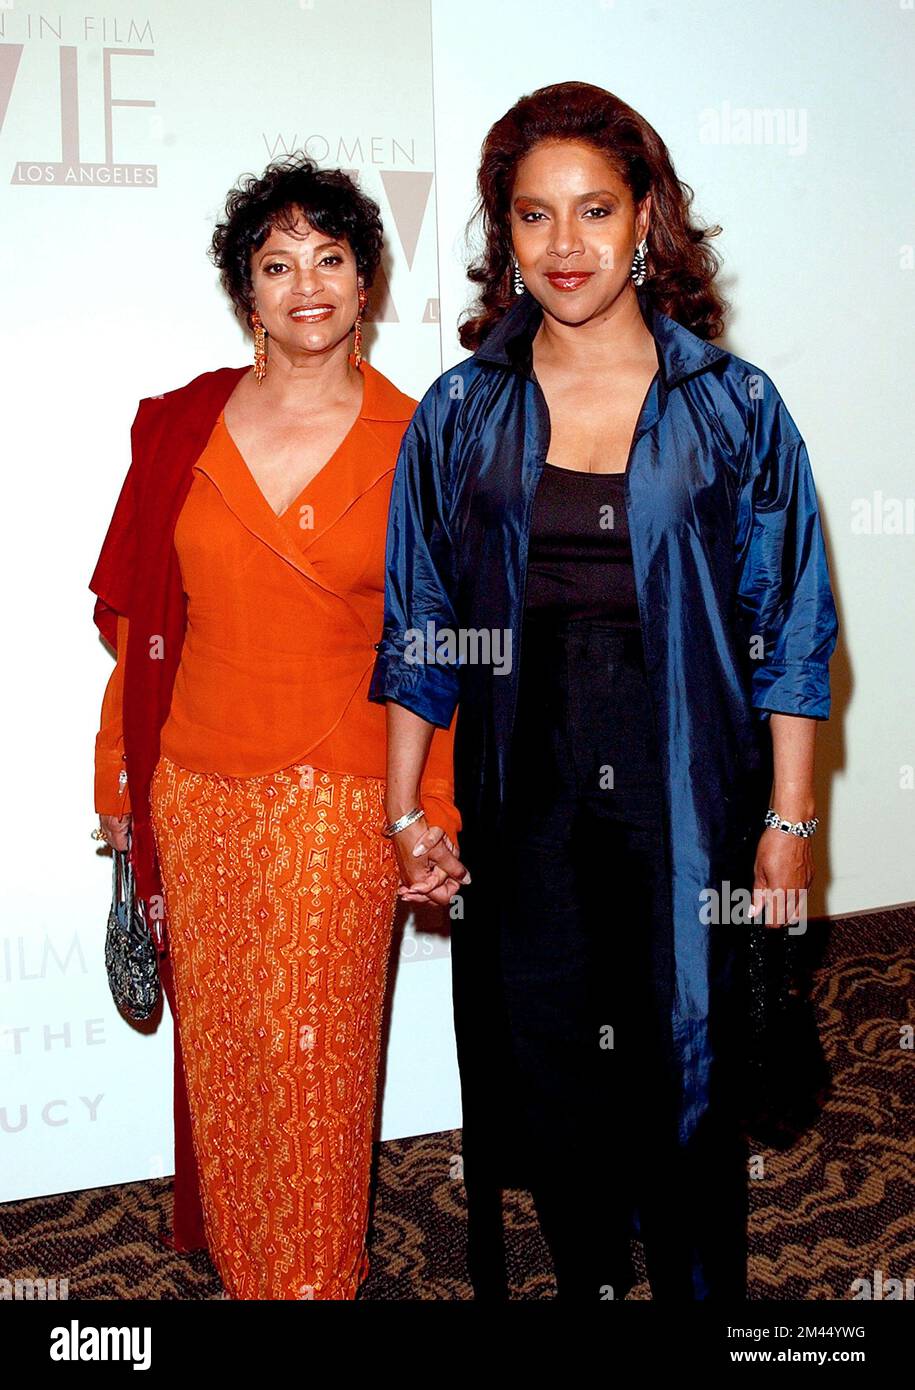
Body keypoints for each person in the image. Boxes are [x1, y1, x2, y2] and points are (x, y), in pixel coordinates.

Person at [368, 82, 839, 1300]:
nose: (563, 246)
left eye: (593, 210)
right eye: (533, 216)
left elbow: (788, 629)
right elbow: (421, 631)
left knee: (687, 1076)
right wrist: (409, 815)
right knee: (555, 1069)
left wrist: (789, 831)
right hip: (529, 807)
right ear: (504, 235)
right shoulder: (463, 410)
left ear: (647, 221)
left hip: (691, 802)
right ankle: (586, 1280)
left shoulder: (731, 407)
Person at [90, 153, 463, 1300]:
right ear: (245, 292)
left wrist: (428, 815)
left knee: (315, 1075)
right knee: (236, 1073)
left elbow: (437, 657)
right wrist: (119, 781)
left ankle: (311, 1285)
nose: (308, 283)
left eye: (333, 258)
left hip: (339, 797)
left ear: (368, 283)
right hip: (195, 793)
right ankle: (260, 1278)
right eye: (277, 262)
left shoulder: (423, 439)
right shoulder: (179, 428)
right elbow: (146, 628)